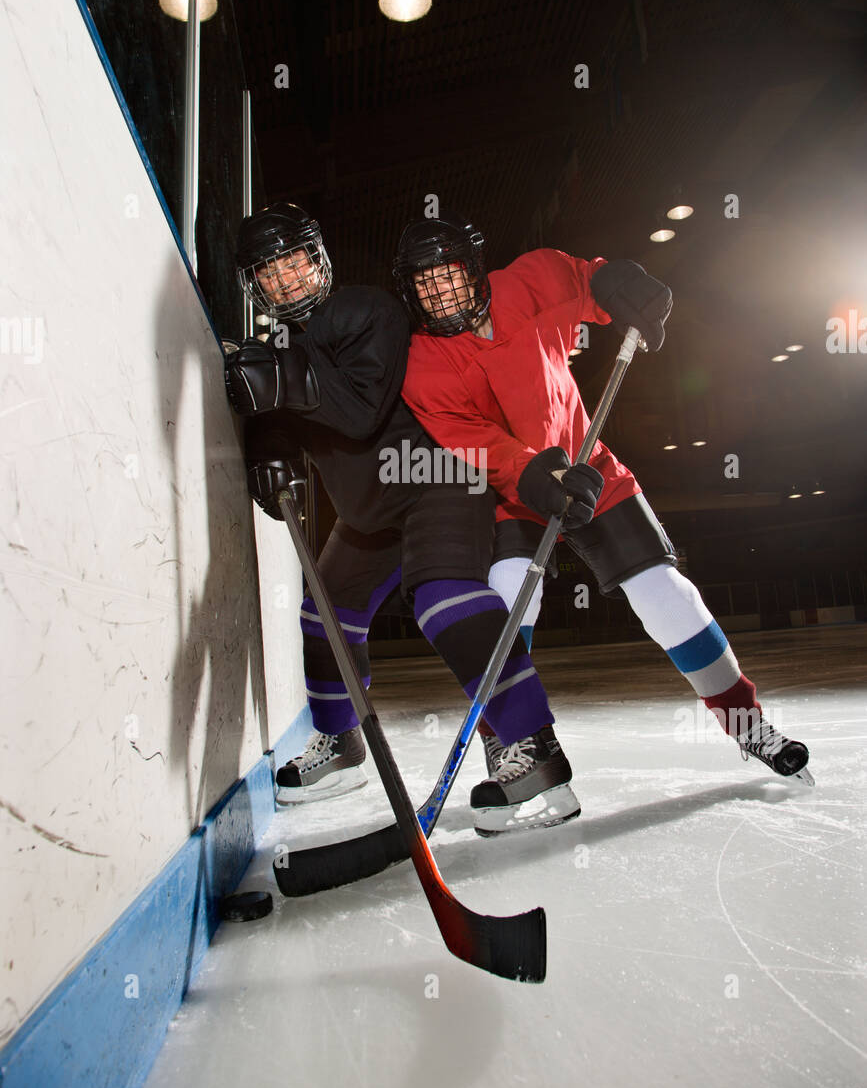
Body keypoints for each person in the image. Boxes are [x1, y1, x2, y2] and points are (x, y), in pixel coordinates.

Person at [393, 213, 811, 800]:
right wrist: (531, 474)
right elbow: (474, 441)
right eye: (424, 282)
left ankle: (748, 723)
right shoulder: (422, 364)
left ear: (474, 267)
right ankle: (514, 743)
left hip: (590, 467)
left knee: (664, 592)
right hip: (514, 490)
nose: (438, 291)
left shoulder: (533, 278)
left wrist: (621, 284)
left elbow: (592, 282)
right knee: (508, 600)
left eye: (448, 273)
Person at [223, 202, 585, 830]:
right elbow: (281, 414)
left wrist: (278, 378)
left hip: (434, 481)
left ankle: (532, 746)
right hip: (368, 513)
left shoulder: (368, 311)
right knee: (324, 615)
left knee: (445, 599)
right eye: (269, 272)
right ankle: (341, 745)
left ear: (318, 260)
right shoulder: (280, 348)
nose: (285, 279)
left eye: (294, 262)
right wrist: (267, 450)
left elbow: (360, 409)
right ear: (256, 285)